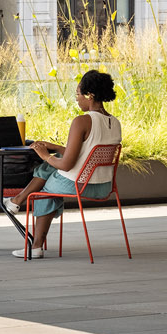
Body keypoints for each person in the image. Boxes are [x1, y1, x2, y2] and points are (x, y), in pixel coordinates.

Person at [12, 70, 121, 258]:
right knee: (49, 168)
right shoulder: (115, 122)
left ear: (90, 95)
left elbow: (67, 165)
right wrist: (53, 147)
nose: (77, 99)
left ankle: (34, 243)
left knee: (44, 189)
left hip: (79, 185)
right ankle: (16, 203)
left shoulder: (82, 121)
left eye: (78, 94)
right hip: (104, 186)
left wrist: (45, 154)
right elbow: (87, 154)